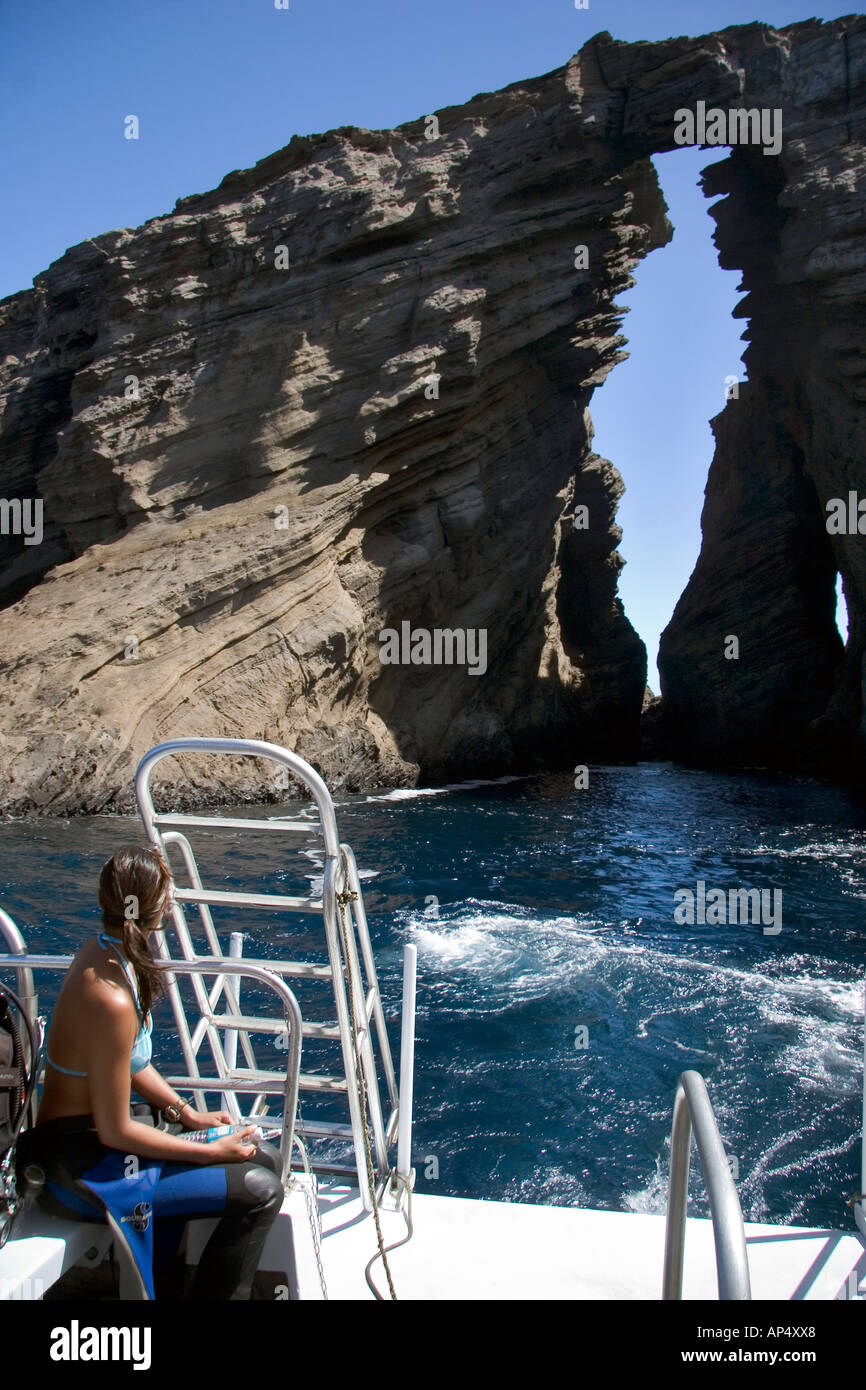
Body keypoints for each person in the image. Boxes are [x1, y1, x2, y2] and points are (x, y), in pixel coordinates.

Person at [16, 844, 284, 1300]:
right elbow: (116, 1133)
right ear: (151, 908)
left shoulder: (104, 952)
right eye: (168, 893)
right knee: (261, 1187)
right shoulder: (111, 998)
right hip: (78, 1165)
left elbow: (130, 1062)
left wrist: (187, 1114)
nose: (172, 901)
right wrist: (209, 1153)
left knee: (268, 1158)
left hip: (95, 1141)